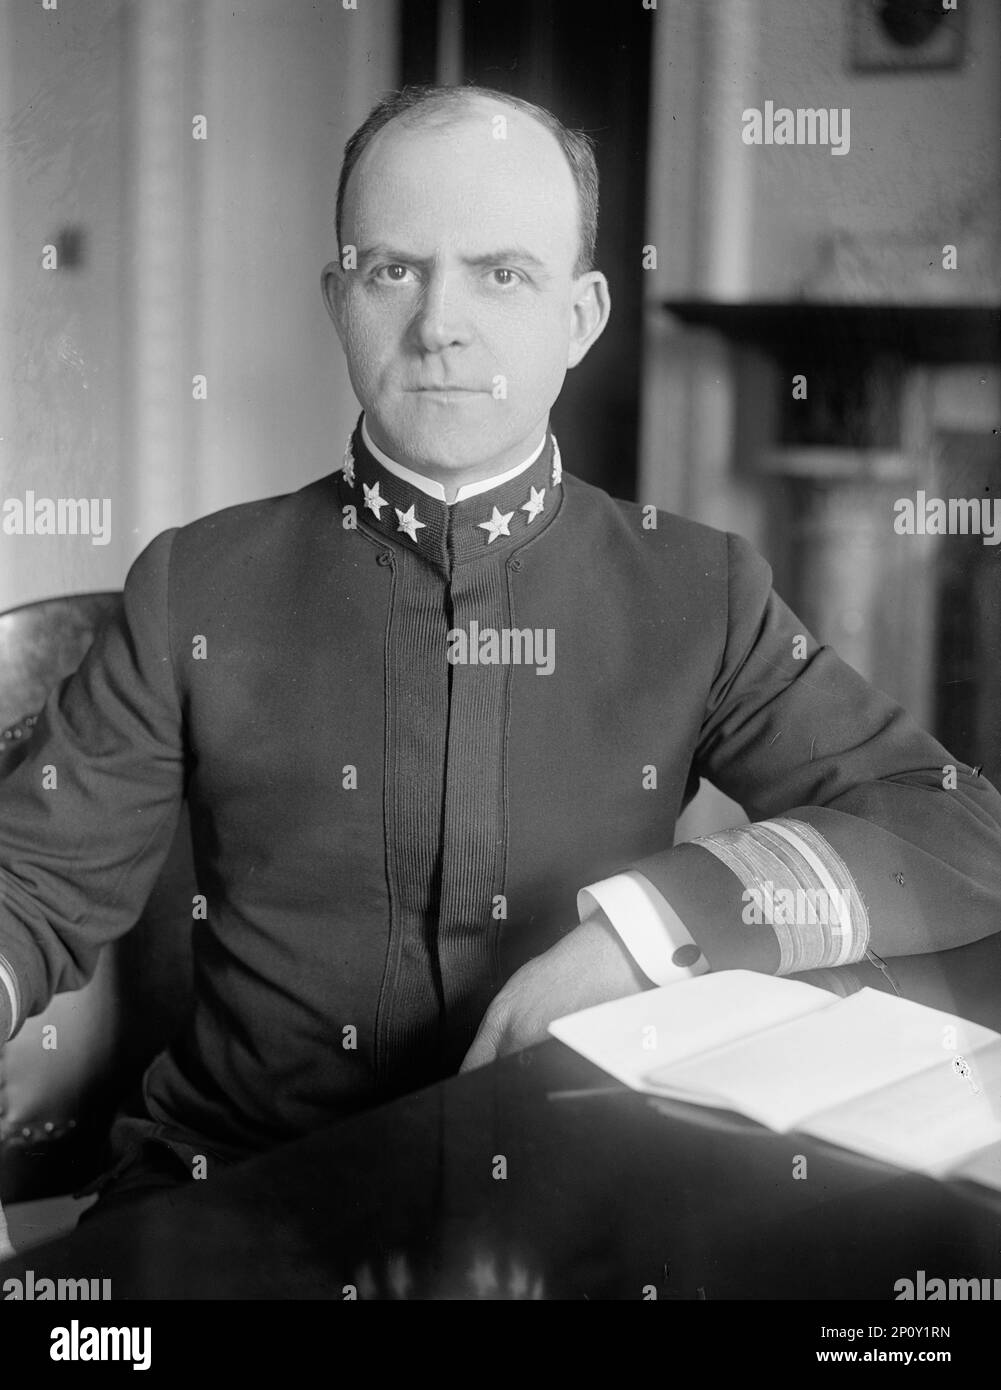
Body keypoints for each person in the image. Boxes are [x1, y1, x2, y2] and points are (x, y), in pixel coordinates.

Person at [1, 84, 999, 1219]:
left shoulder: (696, 589)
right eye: (392, 270)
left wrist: (646, 934)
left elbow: (954, 822)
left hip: (565, 1192)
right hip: (233, 1196)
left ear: (579, 317)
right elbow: (28, 877)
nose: (439, 322)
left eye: (501, 272)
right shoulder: (196, 579)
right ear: (339, 299)